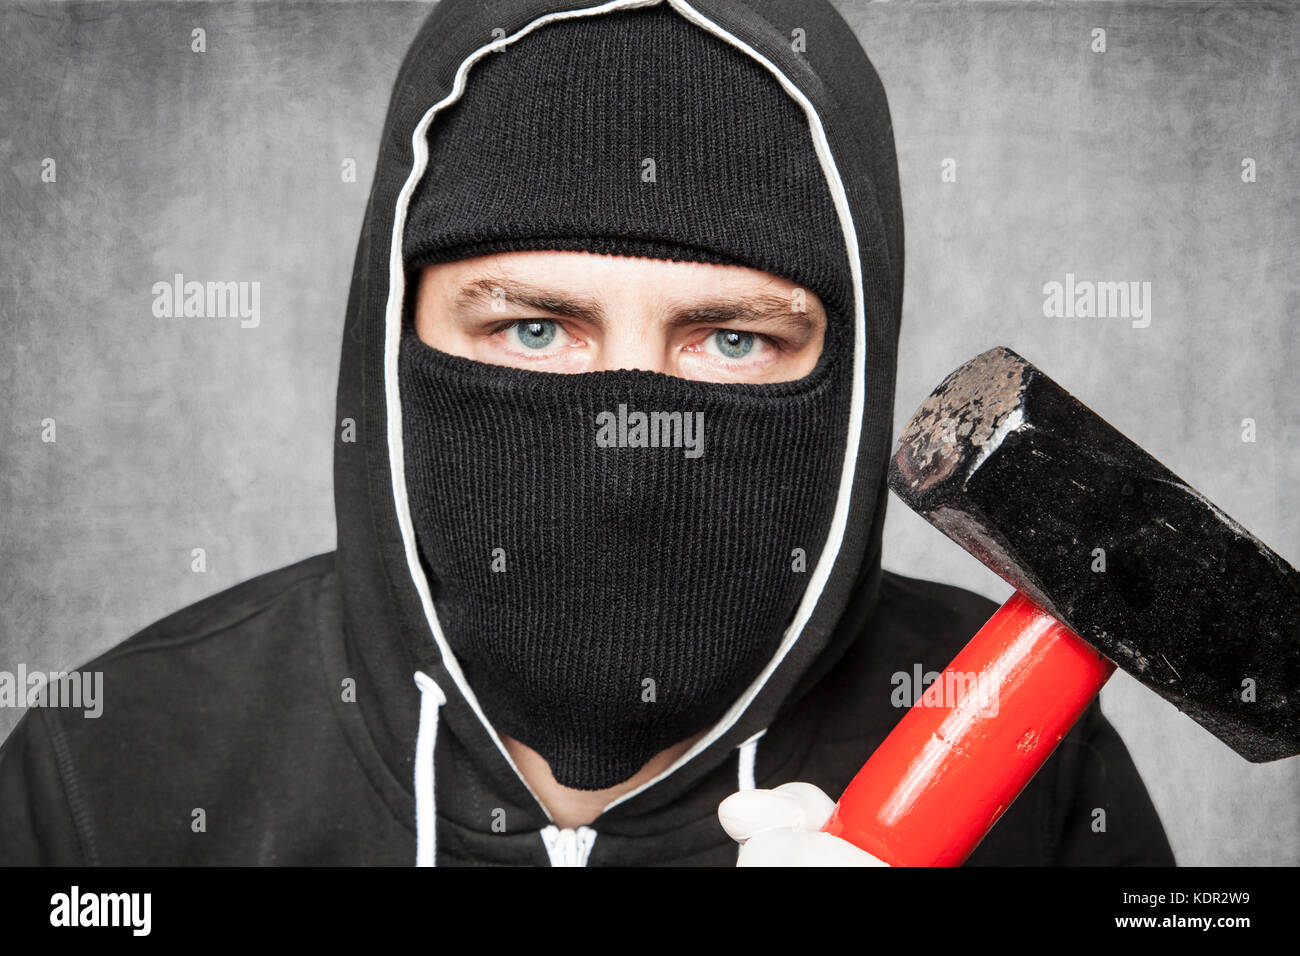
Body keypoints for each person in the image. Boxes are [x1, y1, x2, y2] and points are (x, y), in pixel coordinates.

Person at [0, 0, 1175, 866]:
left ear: (853, 370)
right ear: (390, 338)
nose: (624, 436)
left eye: (730, 340)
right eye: (531, 330)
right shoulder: (111, 768)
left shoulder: (1028, 758)